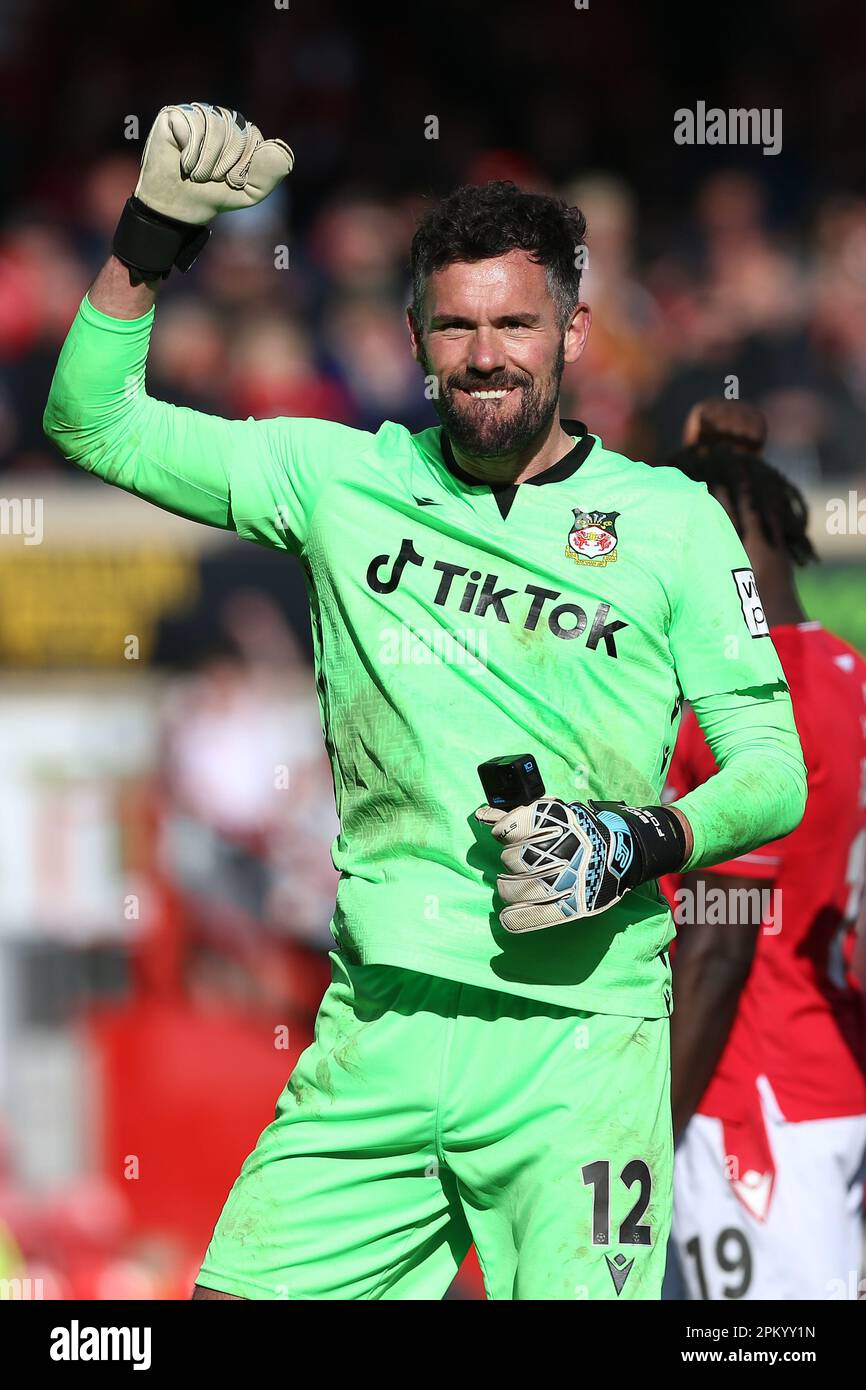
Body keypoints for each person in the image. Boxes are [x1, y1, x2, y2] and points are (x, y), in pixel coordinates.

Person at [43, 104, 806, 1301]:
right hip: (379, 1027)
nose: (485, 352)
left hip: (581, 1047)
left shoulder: (669, 520)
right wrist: (152, 239)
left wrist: (634, 836)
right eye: (454, 325)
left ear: (574, 330)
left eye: (514, 321)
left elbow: (772, 770)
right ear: (413, 334)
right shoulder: (336, 477)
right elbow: (91, 420)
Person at [659, 399, 866, 1300]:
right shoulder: (853, 679)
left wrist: (639, 1136)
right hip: (838, 1090)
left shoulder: (738, 702)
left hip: (750, 1101)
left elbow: (721, 938)